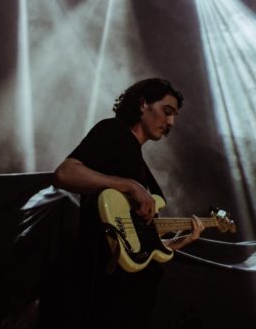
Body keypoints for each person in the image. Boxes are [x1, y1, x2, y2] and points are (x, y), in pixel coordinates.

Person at [53, 78, 204, 329]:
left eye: (175, 116)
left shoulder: (142, 169)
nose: (171, 123)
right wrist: (129, 185)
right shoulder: (113, 131)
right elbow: (65, 173)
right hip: (100, 291)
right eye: (167, 112)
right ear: (143, 103)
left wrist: (176, 243)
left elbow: (137, 243)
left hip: (131, 297)